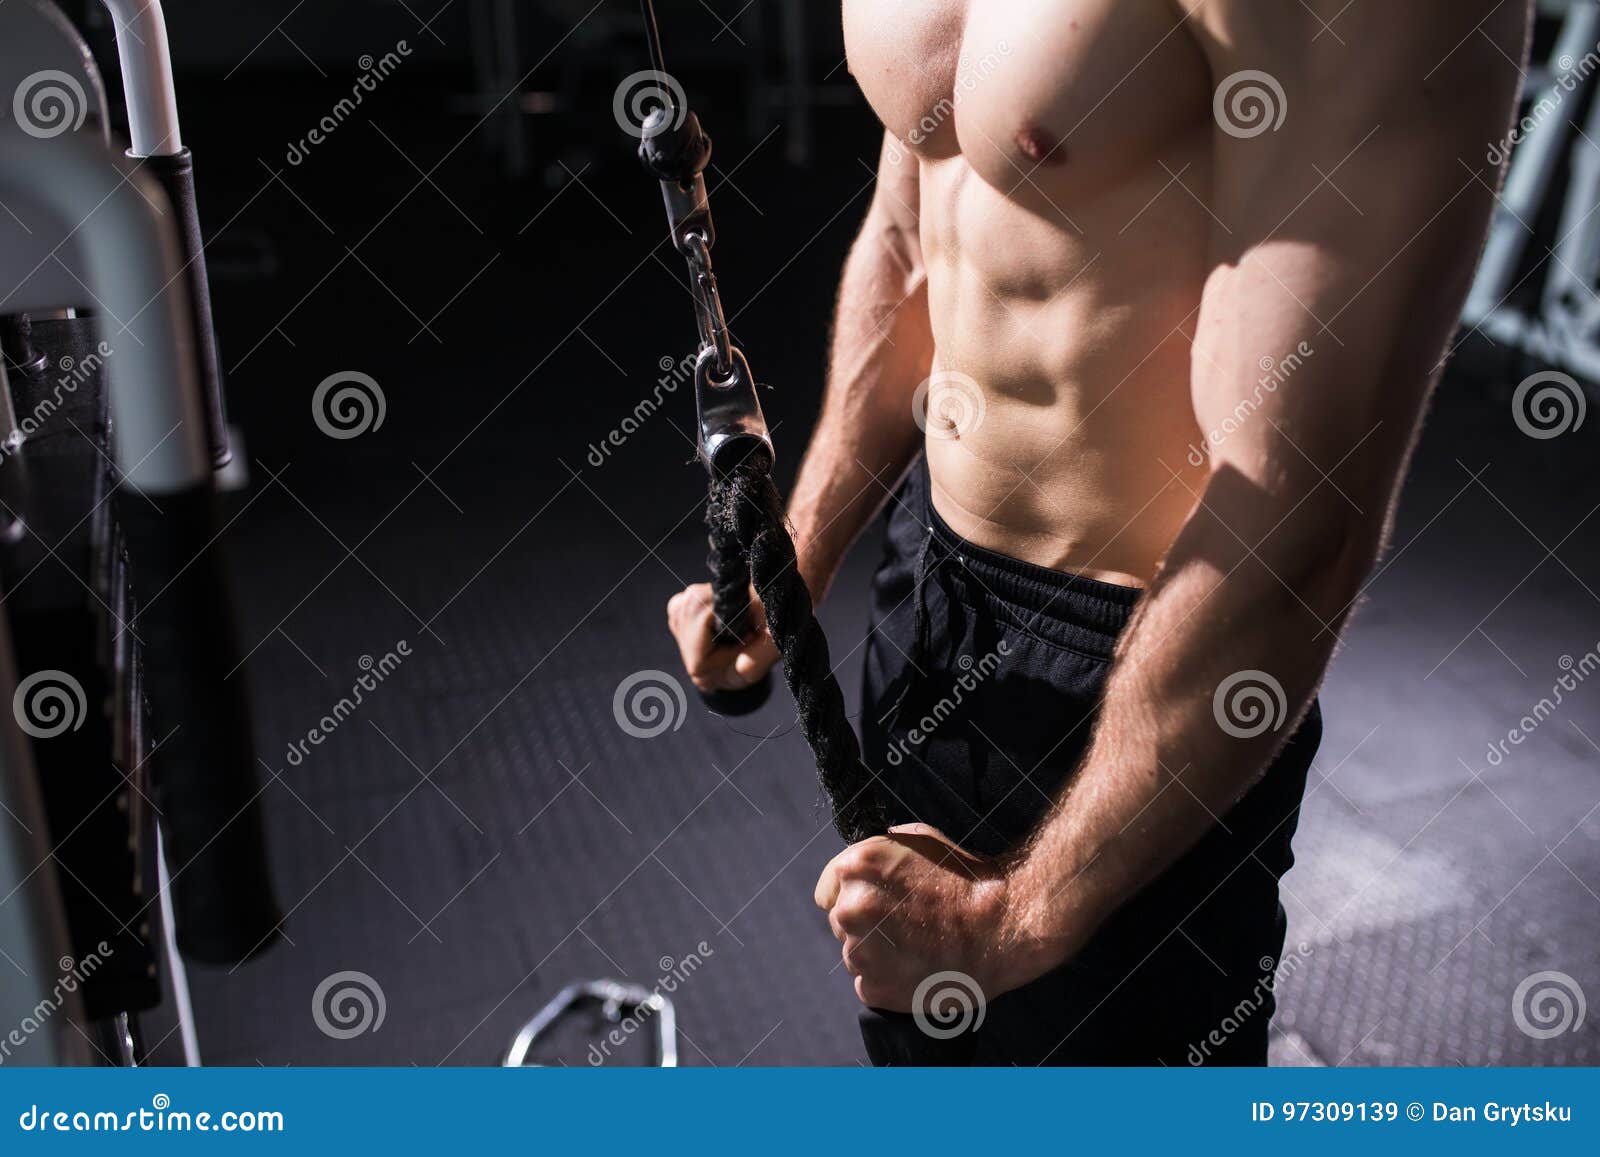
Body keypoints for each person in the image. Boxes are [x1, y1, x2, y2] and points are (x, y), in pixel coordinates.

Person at [666, 0, 1530, 1064]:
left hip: (1142, 663)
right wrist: (787, 558)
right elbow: (911, 241)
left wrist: (1010, 923)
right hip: (925, 586)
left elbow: (1297, 507)